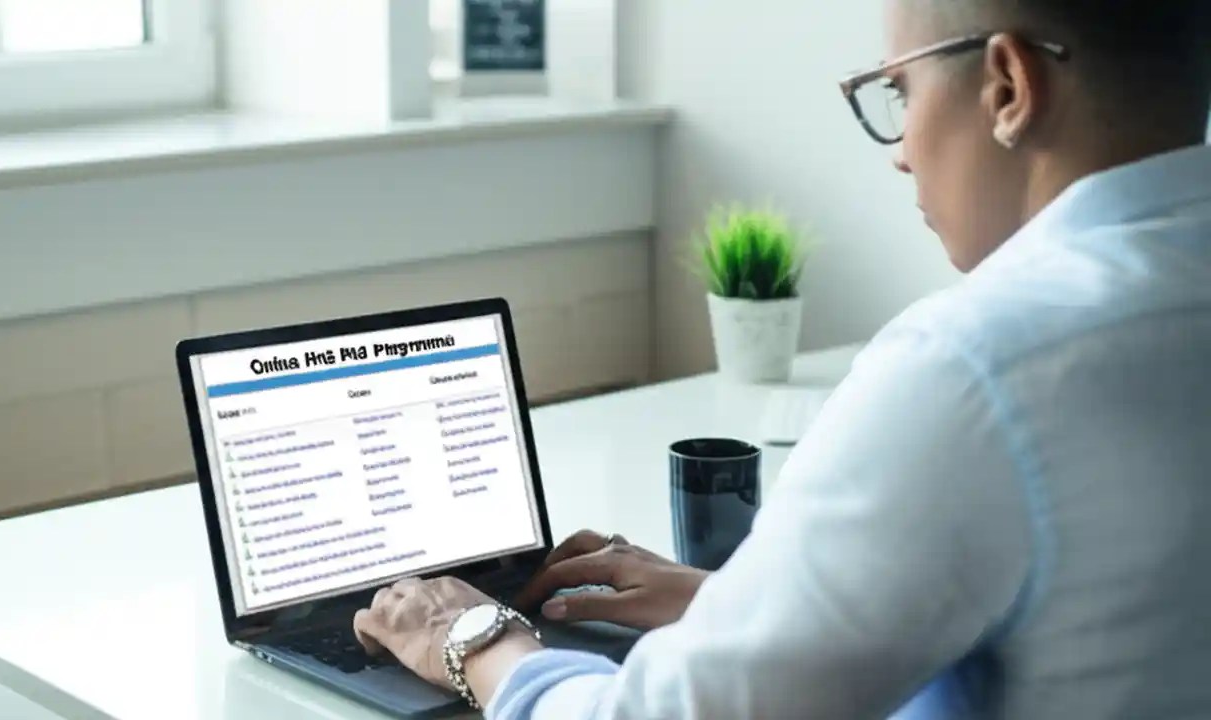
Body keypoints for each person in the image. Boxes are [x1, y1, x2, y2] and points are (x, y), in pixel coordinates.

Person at [352, 0, 1211, 717]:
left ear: (1007, 85)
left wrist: (477, 639)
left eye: (899, 90)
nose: (902, 149)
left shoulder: (975, 367)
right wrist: (746, 608)